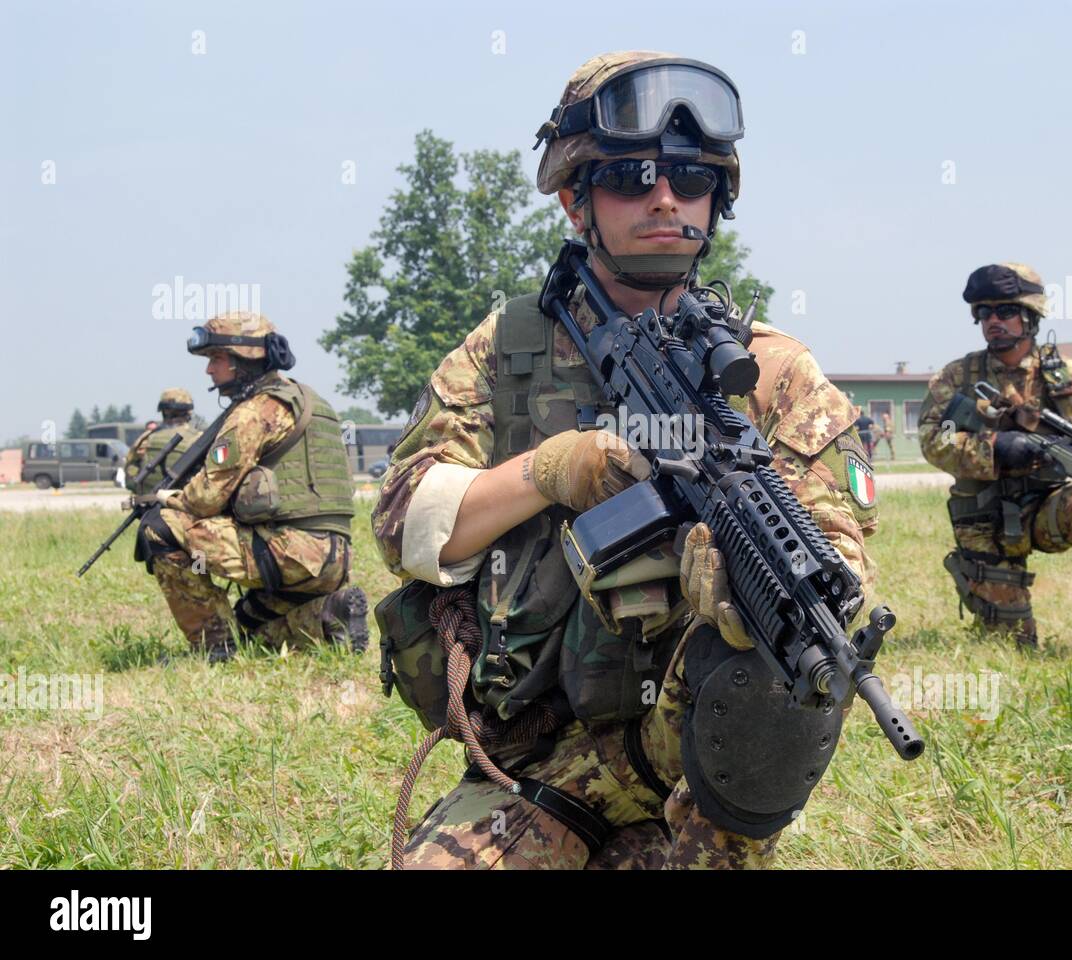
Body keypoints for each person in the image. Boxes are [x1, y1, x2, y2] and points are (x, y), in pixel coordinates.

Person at [373, 51, 880, 869]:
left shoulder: (775, 371)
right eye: (632, 175)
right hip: (533, 756)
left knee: (777, 659)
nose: (665, 197)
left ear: (719, 197)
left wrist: (729, 575)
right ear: (576, 197)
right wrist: (548, 470)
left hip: (689, 753)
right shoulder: (509, 349)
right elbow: (402, 522)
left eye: (690, 175)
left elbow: (836, 557)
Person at [917, 263, 1072, 664]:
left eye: (1005, 311)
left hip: (1050, 507)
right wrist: (997, 447)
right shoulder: (958, 377)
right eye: (985, 313)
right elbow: (931, 439)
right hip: (985, 515)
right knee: (1011, 645)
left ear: (1029, 317)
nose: (993, 321)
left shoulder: (1068, 379)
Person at [135, 312, 369, 662]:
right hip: (333, 559)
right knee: (248, 623)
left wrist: (167, 498)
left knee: (158, 529)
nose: (208, 370)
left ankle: (215, 650)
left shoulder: (254, 412)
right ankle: (329, 616)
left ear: (244, 358)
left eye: (216, 359)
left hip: (289, 553)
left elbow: (207, 498)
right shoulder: (312, 402)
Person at [123, 388, 202, 493]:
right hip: (182, 506)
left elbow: (129, 481)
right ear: (188, 411)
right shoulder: (199, 439)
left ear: (163, 411)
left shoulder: (145, 438)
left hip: (145, 505)